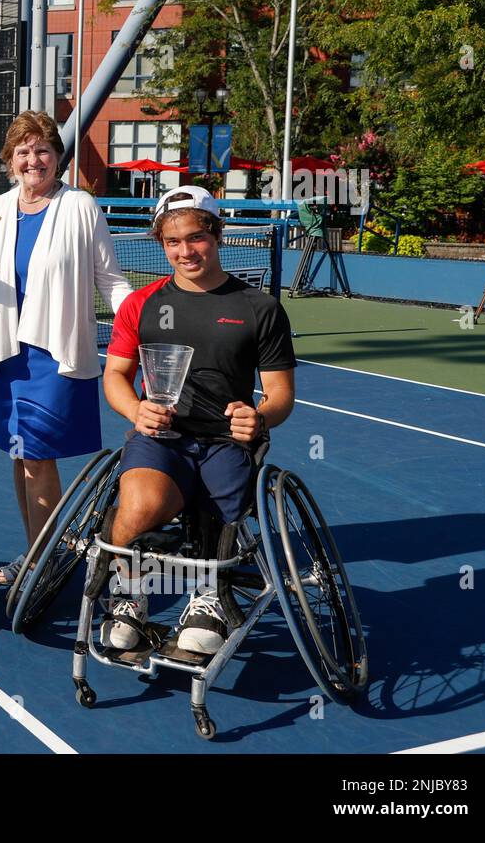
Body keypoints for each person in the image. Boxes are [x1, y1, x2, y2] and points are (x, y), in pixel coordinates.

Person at [0, 111, 132, 585]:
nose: (33, 159)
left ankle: (42, 562)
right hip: (5, 355)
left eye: (42, 150)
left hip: (54, 354)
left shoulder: (80, 205)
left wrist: (149, 320)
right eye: (23, 151)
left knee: (37, 455)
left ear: (57, 158)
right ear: (9, 160)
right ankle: (39, 550)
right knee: (20, 456)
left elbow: (111, 282)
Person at [101, 185, 297, 655]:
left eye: (196, 238)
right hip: (161, 438)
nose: (186, 251)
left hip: (227, 441)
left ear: (217, 235)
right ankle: (130, 596)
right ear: (161, 244)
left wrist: (260, 416)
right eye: (173, 241)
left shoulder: (260, 308)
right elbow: (114, 377)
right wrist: (135, 409)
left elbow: (282, 396)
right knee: (140, 508)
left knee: (225, 504)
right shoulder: (140, 304)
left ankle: (207, 596)